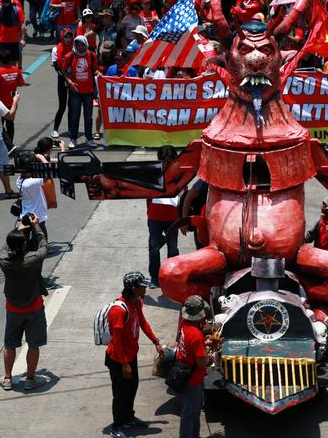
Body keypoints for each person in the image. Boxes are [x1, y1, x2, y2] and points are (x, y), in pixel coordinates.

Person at [105, 271, 163, 438]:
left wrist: (155, 341)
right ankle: (116, 427)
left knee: (132, 387)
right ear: (133, 289)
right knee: (120, 394)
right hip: (118, 358)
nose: (145, 288)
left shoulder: (137, 302)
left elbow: (142, 322)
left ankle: (128, 417)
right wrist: (124, 364)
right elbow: (116, 341)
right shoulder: (119, 311)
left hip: (130, 355)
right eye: (142, 286)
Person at [0, 220, 49, 391]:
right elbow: (43, 246)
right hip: (34, 306)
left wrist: (17, 229)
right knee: (33, 344)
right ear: (25, 244)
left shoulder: (4, 261)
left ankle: (7, 378)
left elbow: (6, 248)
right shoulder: (32, 259)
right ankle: (30, 378)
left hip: (13, 308)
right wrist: (35, 226)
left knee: (10, 344)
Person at [146, 147, 181, 287]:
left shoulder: (179, 175)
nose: (166, 164)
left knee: (172, 249)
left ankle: (171, 276)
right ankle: (155, 278)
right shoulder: (153, 175)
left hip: (173, 218)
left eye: (169, 161)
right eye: (163, 161)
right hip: (155, 217)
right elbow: (146, 194)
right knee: (154, 248)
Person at [176, 295, 210, 438]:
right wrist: (211, 358)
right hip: (193, 381)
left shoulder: (184, 323)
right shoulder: (196, 336)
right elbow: (201, 363)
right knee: (190, 414)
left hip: (183, 374)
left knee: (193, 412)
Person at [60, 34, 98, 148]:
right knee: (75, 116)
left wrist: (98, 73)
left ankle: (89, 138)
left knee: (88, 117)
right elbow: (63, 70)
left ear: (86, 44)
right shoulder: (69, 56)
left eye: (82, 45)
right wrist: (69, 81)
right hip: (75, 91)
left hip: (89, 91)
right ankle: (73, 138)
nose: (80, 47)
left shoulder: (92, 55)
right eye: (78, 45)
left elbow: (95, 69)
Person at [0, 49, 25, 144]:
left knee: (0, 124)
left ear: (0, 60)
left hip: (0, 102)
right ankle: (10, 143)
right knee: (10, 124)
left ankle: (2, 142)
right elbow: (21, 83)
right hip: (12, 102)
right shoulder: (16, 70)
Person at [16, 152, 49, 239]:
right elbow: (49, 172)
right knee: (41, 236)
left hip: (26, 213)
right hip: (36, 215)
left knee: (29, 237)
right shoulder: (31, 182)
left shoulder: (19, 180)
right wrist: (42, 158)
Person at [50, 28, 74, 138]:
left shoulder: (75, 48)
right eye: (66, 37)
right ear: (62, 37)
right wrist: (65, 78)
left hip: (74, 79)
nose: (68, 39)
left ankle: (71, 129)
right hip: (62, 79)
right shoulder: (56, 49)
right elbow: (57, 67)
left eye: (70, 36)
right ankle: (55, 129)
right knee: (62, 106)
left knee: (72, 105)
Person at [0, 0, 25, 64]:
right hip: (1, 40)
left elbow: (22, 24)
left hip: (14, 40)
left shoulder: (17, 9)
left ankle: (18, 69)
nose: (5, 1)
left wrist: (22, 39)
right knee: (0, 60)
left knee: (13, 61)